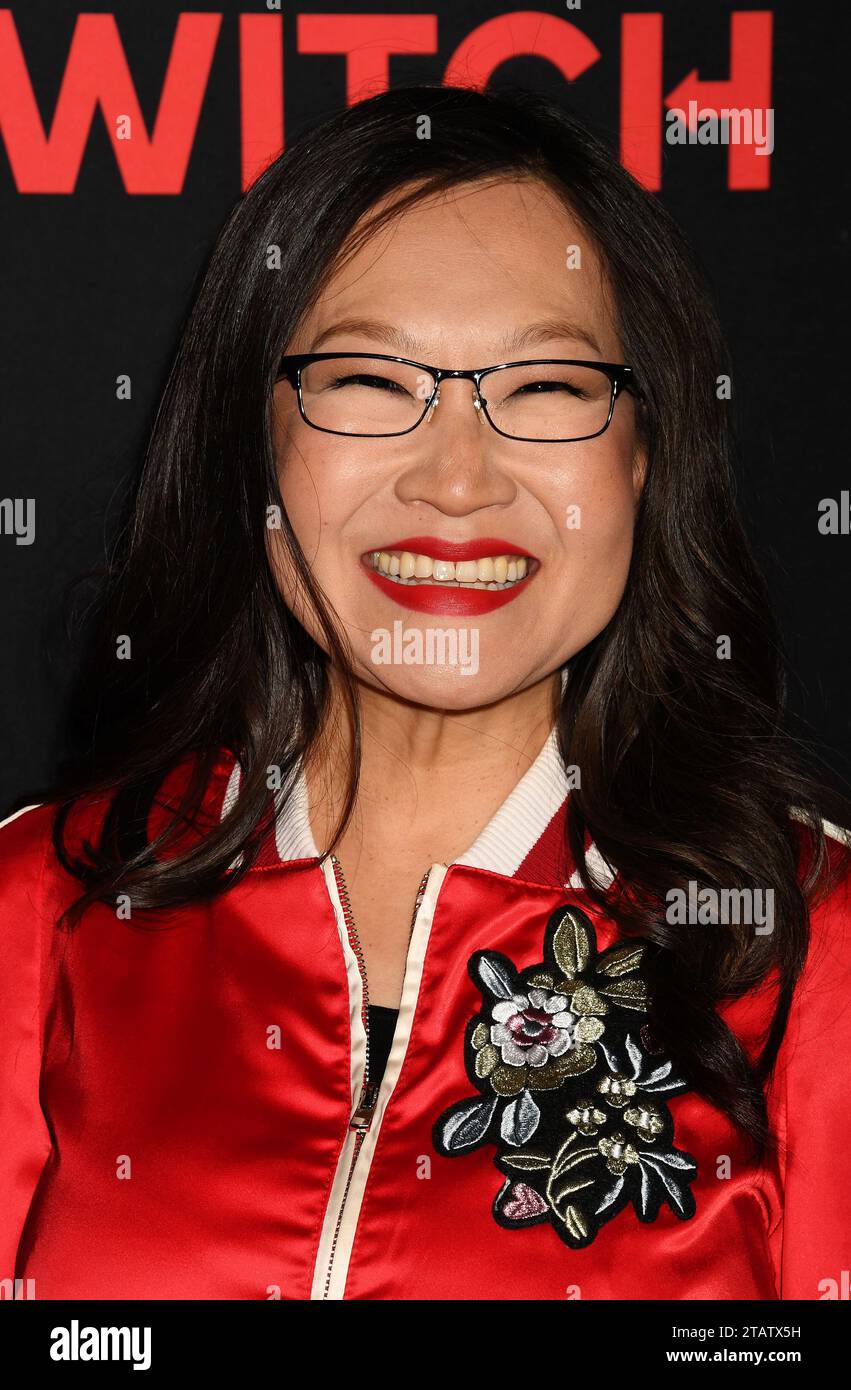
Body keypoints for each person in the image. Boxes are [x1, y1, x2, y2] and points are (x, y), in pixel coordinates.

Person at [1, 83, 849, 1302]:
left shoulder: (805, 942)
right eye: (368, 381)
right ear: (255, 441)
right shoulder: (46, 903)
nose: (456, 481)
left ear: (641, 458)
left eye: (548, 387)